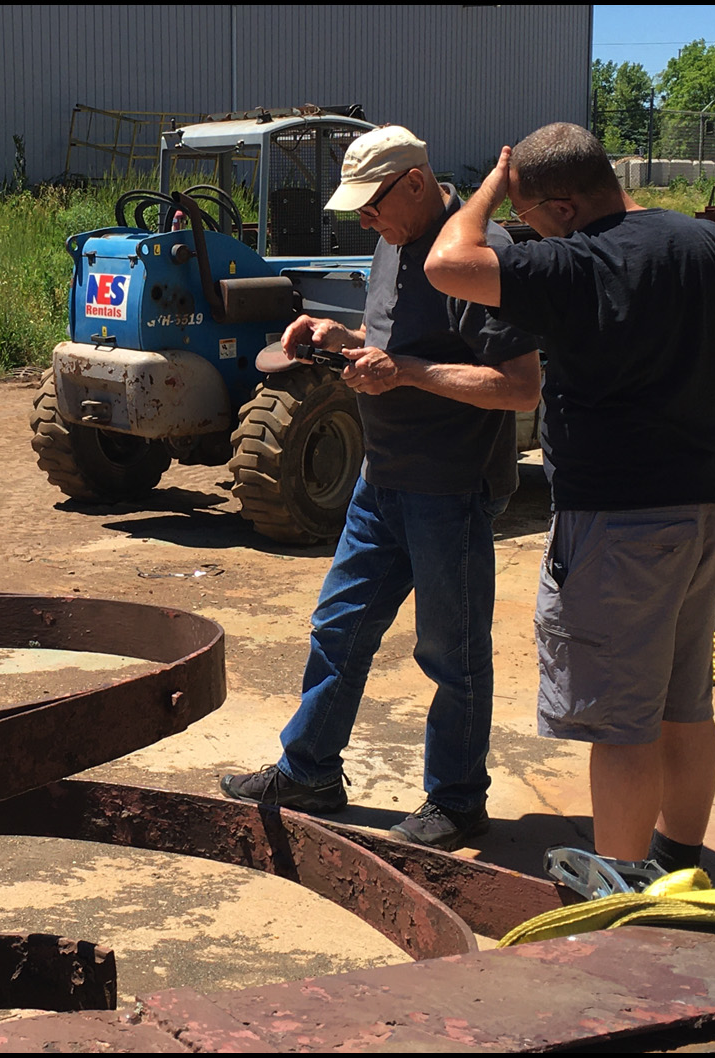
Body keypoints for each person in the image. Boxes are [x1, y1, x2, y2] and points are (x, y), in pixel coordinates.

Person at [424, 122, 715, 874]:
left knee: (621, 724)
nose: (520, 229)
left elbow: (447, 261)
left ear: (560, 206)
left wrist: (492, 184)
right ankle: (676, 857)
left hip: (615, 527)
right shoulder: (707, 244)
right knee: (684, 705)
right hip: (701, 516)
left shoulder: (572, 264)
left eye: (526, 214)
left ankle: (621, 894)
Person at [219, 126, 542, 851]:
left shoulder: (477, 258)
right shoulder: (395, 238)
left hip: (448, 489)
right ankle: (309, 773)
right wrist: (341, 340)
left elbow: (520, 390)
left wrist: (406, 373)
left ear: (419, 184)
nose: (364, 220)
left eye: (373, 206)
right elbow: (398, 338)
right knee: (339, 629)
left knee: (450, 653)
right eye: (358, 209)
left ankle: (457, 801)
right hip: (383, 479)